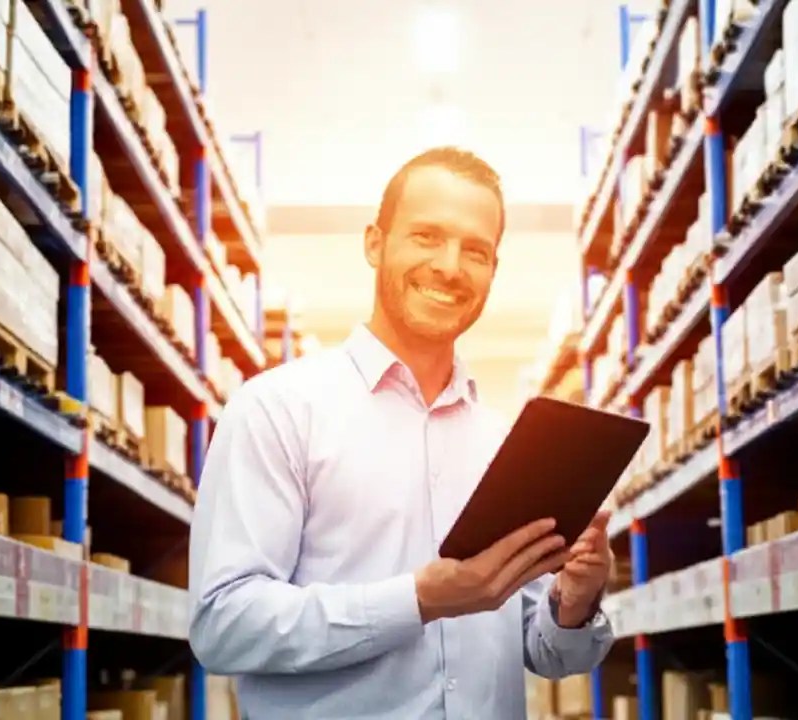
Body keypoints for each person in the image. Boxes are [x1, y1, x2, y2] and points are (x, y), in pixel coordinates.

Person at [188, 146, 615, 719]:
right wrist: (417, 600)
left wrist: (574, 602)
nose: (449, 266)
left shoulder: (504, 444)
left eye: (476, 250)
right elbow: (223, 626)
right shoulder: (278, 410)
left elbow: (542, 650)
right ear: (374, 242)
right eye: (426, 236)